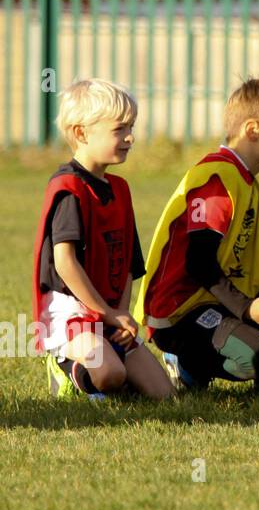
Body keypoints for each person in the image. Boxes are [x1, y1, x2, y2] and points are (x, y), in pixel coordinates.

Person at [135, 79, 259, 398]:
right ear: (253, 130)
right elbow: (200, 264)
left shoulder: (244, 179)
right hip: (183, 314)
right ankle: (188, 365)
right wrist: (248, 310)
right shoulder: (218, 178)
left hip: (222, 297)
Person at [33, 78, 173, 400]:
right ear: (82, 133)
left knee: (164, 394)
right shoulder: (69, 188)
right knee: (110, 374)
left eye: (131, 127)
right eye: (119, 129)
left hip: (108, 312)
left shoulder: (120, 190)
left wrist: (121, 319)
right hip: (72, 315)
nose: (130, 137)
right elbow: (65, 265)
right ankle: (65, 366)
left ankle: (111, 375)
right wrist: (108, 315)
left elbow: (127, 265)